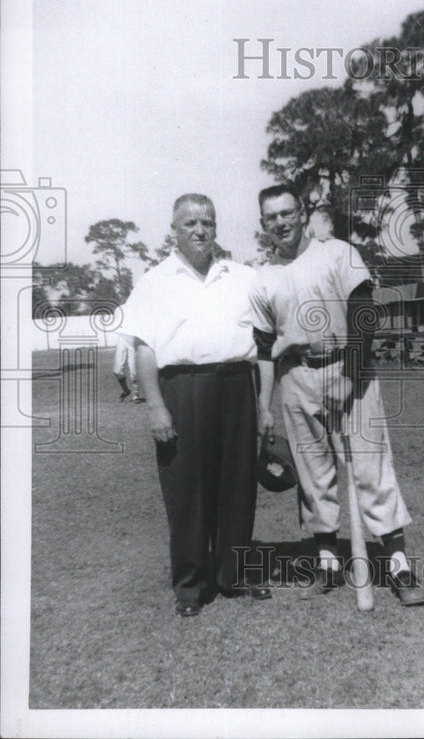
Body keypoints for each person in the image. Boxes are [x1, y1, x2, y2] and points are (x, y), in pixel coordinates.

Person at [250, 185, 424, 606]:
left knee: (371, 468)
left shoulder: (337, 253)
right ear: (263, 225)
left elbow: (364, 315)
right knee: (313, 474)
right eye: (272, 217)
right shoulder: (263, 278)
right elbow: (262, 348)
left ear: (302, 213)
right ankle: (328, 560)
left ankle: (398, 565)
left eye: (288, 213)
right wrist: (263, 404)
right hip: (298, 379)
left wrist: (350, 377)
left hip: (351, 371)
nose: (281, 222)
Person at [120, 193, 271, 617]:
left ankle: (234, 575)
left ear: (217, 228)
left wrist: (262, 403)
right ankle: (190, 584)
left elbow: (263, 343)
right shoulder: (155, 280)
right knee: (186, 487)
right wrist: (155, 407)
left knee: (237, 484)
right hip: (181, 388)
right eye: (190, 224)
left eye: (207, 222)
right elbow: (144, 350)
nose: (200, 230)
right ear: (174, 230)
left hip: (237, 386)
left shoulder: (243, 276)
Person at [112, 337, 144, 402]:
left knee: (133, 370)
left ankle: (136, 395)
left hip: (133, 340)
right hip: (121, 339)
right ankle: (126, 391)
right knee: (117, 371)